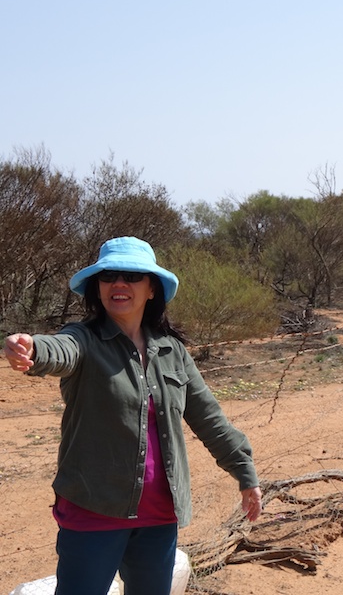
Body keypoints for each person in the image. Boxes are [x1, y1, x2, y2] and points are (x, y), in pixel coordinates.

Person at [3, 236, 262, 595]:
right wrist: (30, 347)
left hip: (159, 517)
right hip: (94, 510)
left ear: (152, 289)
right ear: (98, 287)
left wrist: (244, 472)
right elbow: (59, 350)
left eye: (132, 276)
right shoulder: (84, 339)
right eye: (109, 276)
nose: (119, 284)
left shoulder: (172, 351)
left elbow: (209, 419)